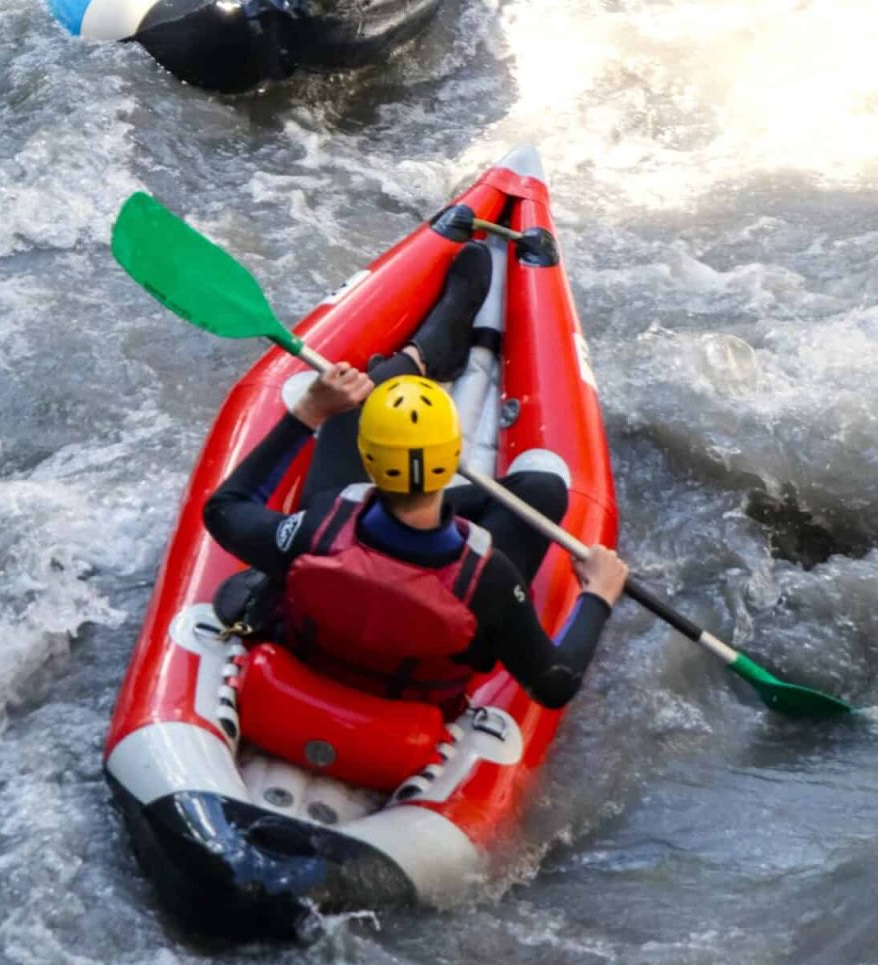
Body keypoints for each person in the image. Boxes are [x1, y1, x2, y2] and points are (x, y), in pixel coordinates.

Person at [202, 241, 628, 715]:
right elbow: (555, 684)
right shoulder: (488, 581)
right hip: (419, 688)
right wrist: (598, 595)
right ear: (454, 459)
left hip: (319, 633)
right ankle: (431, 352)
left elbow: (224, 508)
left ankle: (423, 355)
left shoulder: (313, 530)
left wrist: (309, 413)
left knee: (367, 397)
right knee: (543, 489)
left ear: (367, 459)